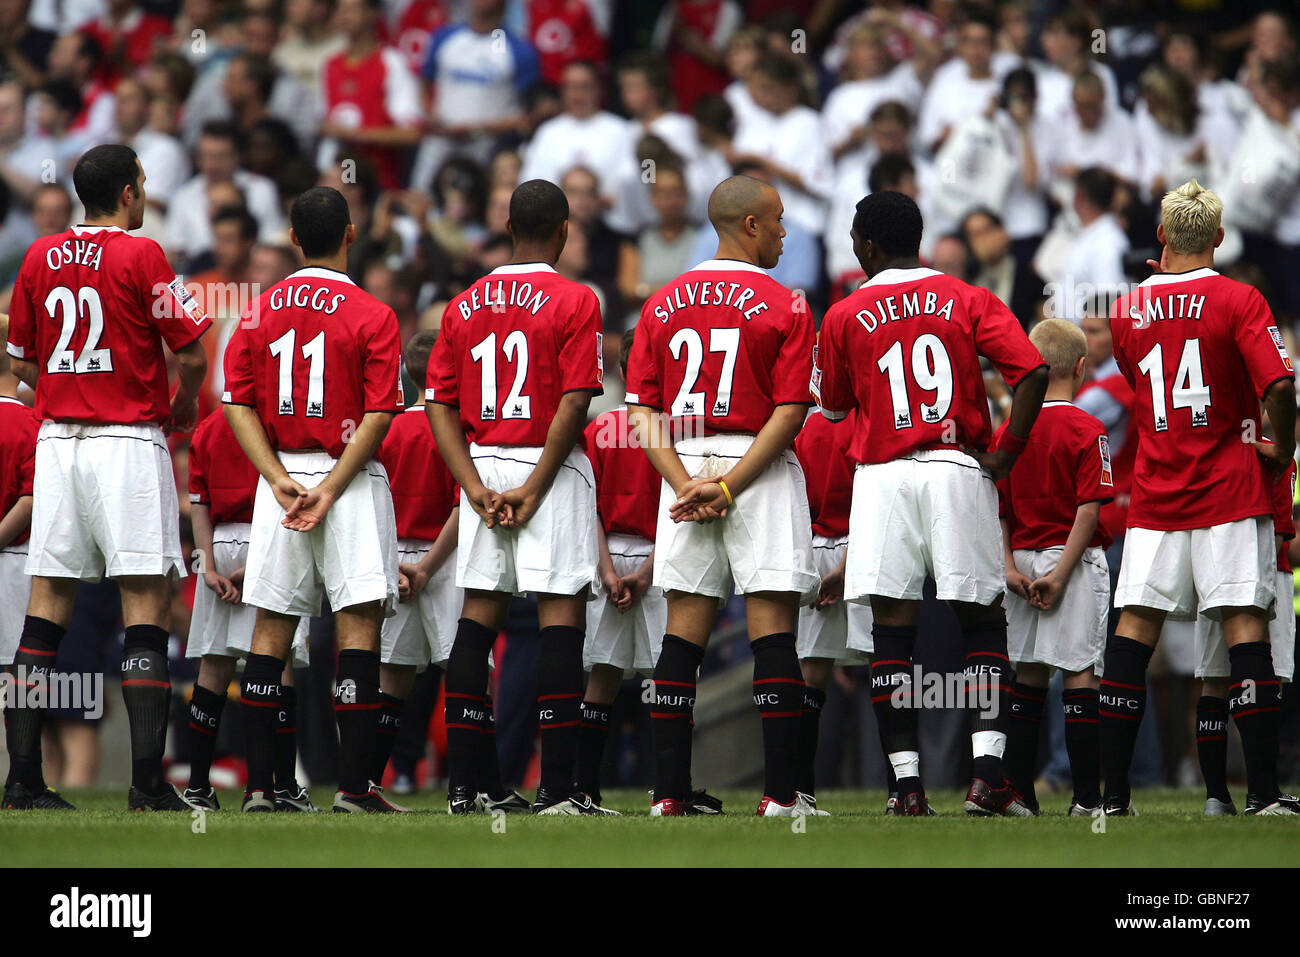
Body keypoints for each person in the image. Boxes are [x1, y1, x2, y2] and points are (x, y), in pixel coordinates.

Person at [813, 189, 1049, 817]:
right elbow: (1032, 372)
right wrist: (1006, 452)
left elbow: (833, 408)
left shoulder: (842, 313)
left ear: (864, 245)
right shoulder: (965, 295)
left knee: (891, 634)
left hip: (883, 474)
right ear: (918, 239)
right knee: (981, 624)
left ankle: (906, 788)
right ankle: (987, 781)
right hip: (956, 466)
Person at [4, 143, 210, 811]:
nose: (144, 196)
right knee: (144, 607)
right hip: (126, 441)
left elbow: (23, 363)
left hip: (59, 440)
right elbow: (193, 350)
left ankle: (23, 778)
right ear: (127, 193)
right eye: (142, 185)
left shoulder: (37, 255)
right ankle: (148, 783)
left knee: (46, 609)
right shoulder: (141, 254)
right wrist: (182, 400)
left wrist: (66, 388)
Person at [625, 174, 819, 817]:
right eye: (779, 220)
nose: (786, 232)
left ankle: (669, 796)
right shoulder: (788, 304)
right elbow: (791, 411)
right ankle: (781, 798)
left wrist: (685, 482)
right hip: (754, 468)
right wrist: (728, 485)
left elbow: (641, 411)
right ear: (752, 225)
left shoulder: (660, 302)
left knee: (683, 634)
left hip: (681, 462)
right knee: (772, 631)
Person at [1103, 179, 1298, 816]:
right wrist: (1281, 447)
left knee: (1134, 631)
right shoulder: (1240, 299)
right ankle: (1264, 795)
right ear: (1218, 238)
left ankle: (1110, 798)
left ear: (1161, 236)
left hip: (1157, 493)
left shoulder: (1126, 310)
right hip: (1230, 488)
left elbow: (1137, 382)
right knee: (1245, 626)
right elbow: (1280, 386)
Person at [426, 179, 607, 815]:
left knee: (477, 620)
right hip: (548, 466)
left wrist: (473, 485)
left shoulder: (463, 302)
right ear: (562, 230)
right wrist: (536, 484)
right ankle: (558, 791)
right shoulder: (577, 298)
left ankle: (465, 788)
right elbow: (577, 398)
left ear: (508, 228)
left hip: (484, 460)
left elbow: (440, 405)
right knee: (561, 615)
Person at [223, 186, 404, 814]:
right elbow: (381, 414)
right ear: (351, 234)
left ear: (293, 239)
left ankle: (258, 788)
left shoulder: (255, 311)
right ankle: (355, 791)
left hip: (282, 480)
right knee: (358, 626)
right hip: (346, 478)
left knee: (270, 627)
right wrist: (331, 487)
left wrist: (275, 477)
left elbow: (237, 405)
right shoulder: (375, 314)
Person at [373, 330, 530, 814]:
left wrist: (392, 564)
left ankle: (362, 784)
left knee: (393, 676)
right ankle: (477, 787)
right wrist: (427, 568)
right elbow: (465, 506)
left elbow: (374, 500)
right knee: (468, 673)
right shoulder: (456, 433)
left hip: (393, 558)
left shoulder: (388, 428)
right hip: (444, 561)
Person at [997, 318, 1112, 816]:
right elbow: (1090, 508)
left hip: (1021, 562)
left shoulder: (1010, 431)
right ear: (1082, 368)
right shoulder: (1089, 427)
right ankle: (1086, 800)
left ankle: (1021, 794)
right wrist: (1062, 575)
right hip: (1074, 562)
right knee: (1081, 673)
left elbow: (997, 509)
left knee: (1028, 675)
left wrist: (1006, 568)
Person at [574, 329, 691, 812]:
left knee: (601, 675)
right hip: (660, 557)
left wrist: (605, 570)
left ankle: (582, 788)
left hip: (606, 556)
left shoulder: (598, 429)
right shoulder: (678, 431)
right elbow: (684, 503)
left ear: (620, 370)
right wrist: (645, 572)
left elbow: (587, 506)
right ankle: (668, 789)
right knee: (667, 676)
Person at [183, 409, 314, 812]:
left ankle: (198, 786)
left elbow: (199, 502)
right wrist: (257, 559)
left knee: (214, 663)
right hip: (272, 535)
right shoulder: (275, 419)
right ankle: (279, 786)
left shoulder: (207, 425)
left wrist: (205, 565)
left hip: (219, 544)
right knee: (279, 658)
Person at [1193, 449, 1296, 815]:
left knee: (1214, 682)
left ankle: (1216, 797)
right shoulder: (1277, 455)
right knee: (1267, 680)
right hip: (1265, 575)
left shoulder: (1208, 451)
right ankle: (1263, 793)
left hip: (1209, 573)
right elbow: (1285, 539)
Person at [791, 407, 871, 815]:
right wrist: (847, 569)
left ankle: (800, 793)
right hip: (865, 548)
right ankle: (904, 790)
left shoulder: (804, 425)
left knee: (812, 674)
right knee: (890, 661)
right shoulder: (868, 418)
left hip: (815, 550)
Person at [0, 313, 45, 801]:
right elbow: (32, 496)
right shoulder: (27, 423)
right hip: (13, 559)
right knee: (19, 677)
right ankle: (23, 777)